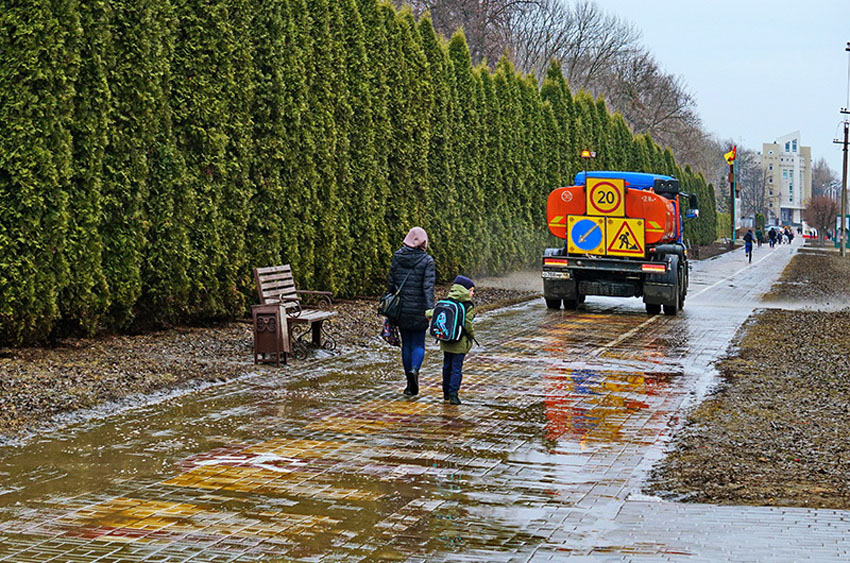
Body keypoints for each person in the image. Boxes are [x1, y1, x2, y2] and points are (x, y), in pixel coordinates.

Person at [387, 227, 435, 396]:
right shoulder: (427, 261)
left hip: (401, 309)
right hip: (420, 309)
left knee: (406, 344)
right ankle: (415, 370)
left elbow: (391, 283)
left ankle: (409, 385)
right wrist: (430, 309)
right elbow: (427, 287)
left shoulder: (397, 257)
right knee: (418, 344)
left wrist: (388, 301)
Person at [427, 275, 476, 405]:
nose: (472, 293)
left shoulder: (447, 301)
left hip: (446, 340)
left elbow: (433, 313)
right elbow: (468, 324)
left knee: (446, 366)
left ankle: (446, 393)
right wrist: (471, 335)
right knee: (456, 368)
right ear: (464, 290)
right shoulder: (467, 305)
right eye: (471, 290)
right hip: (460, 342)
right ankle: (454, 395)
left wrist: (427, 313)